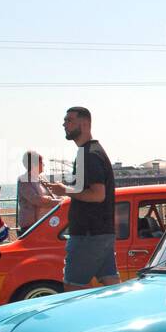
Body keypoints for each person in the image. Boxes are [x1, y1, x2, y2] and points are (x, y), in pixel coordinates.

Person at [52, 107, 118, 290]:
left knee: (72, 290)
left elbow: (98, 195)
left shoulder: (88, 154)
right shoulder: (92, 151)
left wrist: (65, 190)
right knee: (111, 287)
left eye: (69, 120)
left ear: (85, 123)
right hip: (101, 233)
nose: (64, 124)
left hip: (88, 235)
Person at [15, 150, 62, 232]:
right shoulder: (23, 180)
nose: (43, 164)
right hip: (31, 226)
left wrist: (62, 198)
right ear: (34, 164)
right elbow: (36, 200)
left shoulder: (41, 178)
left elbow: (52, 194)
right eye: (41, 162)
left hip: (45, 222)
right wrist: (59, 203)